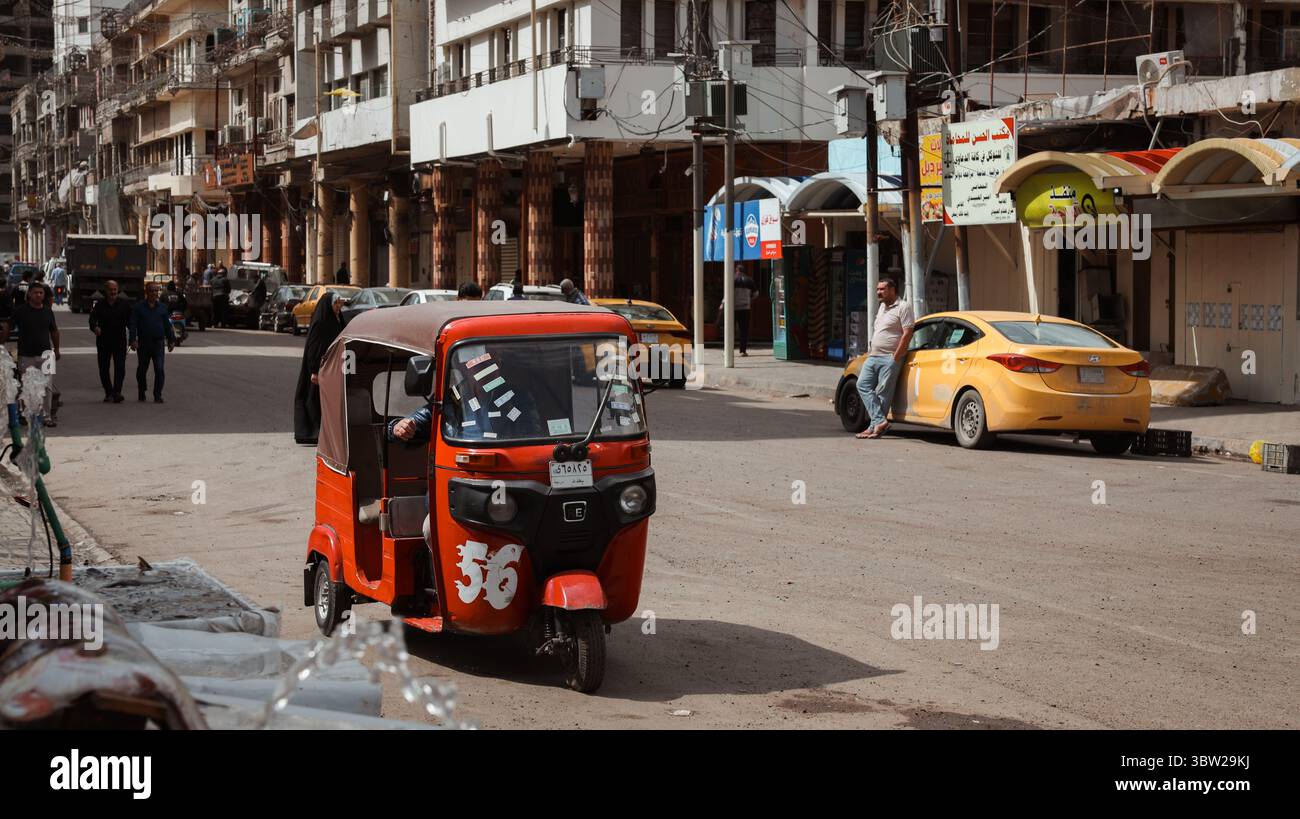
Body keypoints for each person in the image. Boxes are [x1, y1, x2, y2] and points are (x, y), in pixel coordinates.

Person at [855, 277, 914, 440]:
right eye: (877, 289)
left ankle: (874, 427)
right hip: (873, 356)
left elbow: (908, 332)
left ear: (892, 289)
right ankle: (879, 421)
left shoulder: (903, 307)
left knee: (882, 393)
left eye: (882, 289)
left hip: (889, 357)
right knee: (862, 385)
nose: (878, 292)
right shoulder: (882, 307)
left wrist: (895, 356)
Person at [2, 282, 61, 426]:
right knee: (26, 386)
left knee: (47, 386)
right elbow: (8, 327)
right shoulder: (20, 311)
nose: (39, 295)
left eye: (41, 293)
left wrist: (57, 350)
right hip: (26, 354)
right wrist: (2, 343)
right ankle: (26, 415)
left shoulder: (48, 311)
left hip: (46, 354)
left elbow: (54, 331)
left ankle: (46, 417)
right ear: (29, 294)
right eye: (36, 292)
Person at [294, 292, 347, 444]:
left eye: (339, 304)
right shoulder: (321, 322)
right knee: (313, 399)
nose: (338, 307)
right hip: (317, 369)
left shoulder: (337, 319)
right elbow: (313, 348)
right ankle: (311, 433)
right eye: (336, 304)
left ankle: (323, 432)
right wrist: (314, 371)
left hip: (331, 368)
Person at [129, 282, 177, 403]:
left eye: (156, 291)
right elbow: (133, 324)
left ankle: (157, 394)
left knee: (159, 369)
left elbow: (167, 325)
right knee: (142, 369)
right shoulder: (138, 307)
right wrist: (133, 340)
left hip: (158, 343)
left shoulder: (162, 308)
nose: (154, 293)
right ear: (147, 292)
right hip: (144, 344)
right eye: (152, 291)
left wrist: (171, 340)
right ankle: (142, 389)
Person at [89, 279, 132, 403]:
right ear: (106, 291)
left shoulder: (124, 305)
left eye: (115, 290)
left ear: (118, 290)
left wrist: (134, 338)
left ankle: (117, 392)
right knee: (103, 368)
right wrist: (95, 328)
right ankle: (108, 392)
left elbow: (130, 322)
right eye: (110, 290)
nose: (113, 292)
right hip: (103, 341)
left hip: (120, 341)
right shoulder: (99, 305)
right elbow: (92, 320)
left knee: (120, 368)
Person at [732, 266, 759, 356]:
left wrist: (723, 304)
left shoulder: (732, 279)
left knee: (730, 329)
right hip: (745, 308)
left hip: (733, 308)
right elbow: (756, 293)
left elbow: (727, 293)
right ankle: (743, 351)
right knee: (744, 330)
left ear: (737, 271)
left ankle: (728, 350)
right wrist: (749, 299)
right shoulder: (749, 280)